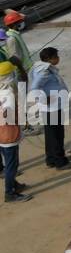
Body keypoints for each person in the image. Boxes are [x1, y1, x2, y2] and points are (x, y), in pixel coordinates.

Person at [29, 48, 71, 168]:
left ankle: (51, 159)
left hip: (51, 107)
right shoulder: (44, 71)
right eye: (56, 56)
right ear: (49, 59)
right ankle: (60, 161)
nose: (58, 58)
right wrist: (43, 99)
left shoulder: (41, 68)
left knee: (50, 135)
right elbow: (34, 88)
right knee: (57, 135)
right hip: (52, 108)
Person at [0, 62, 28, 201]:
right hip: (9, 136)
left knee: (9, 162)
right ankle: (10, 193)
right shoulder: (9, 94)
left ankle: (14, 185)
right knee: (12, 165)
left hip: (1, 136)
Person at [3, 11, 33, 80]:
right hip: (21, 71)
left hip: (26, 68)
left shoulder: (15, 34)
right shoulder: (11, 38)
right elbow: (14, 58)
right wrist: (22, 71)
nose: (22, 22)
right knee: (23, 89)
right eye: (20, 21)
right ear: (14, 24)